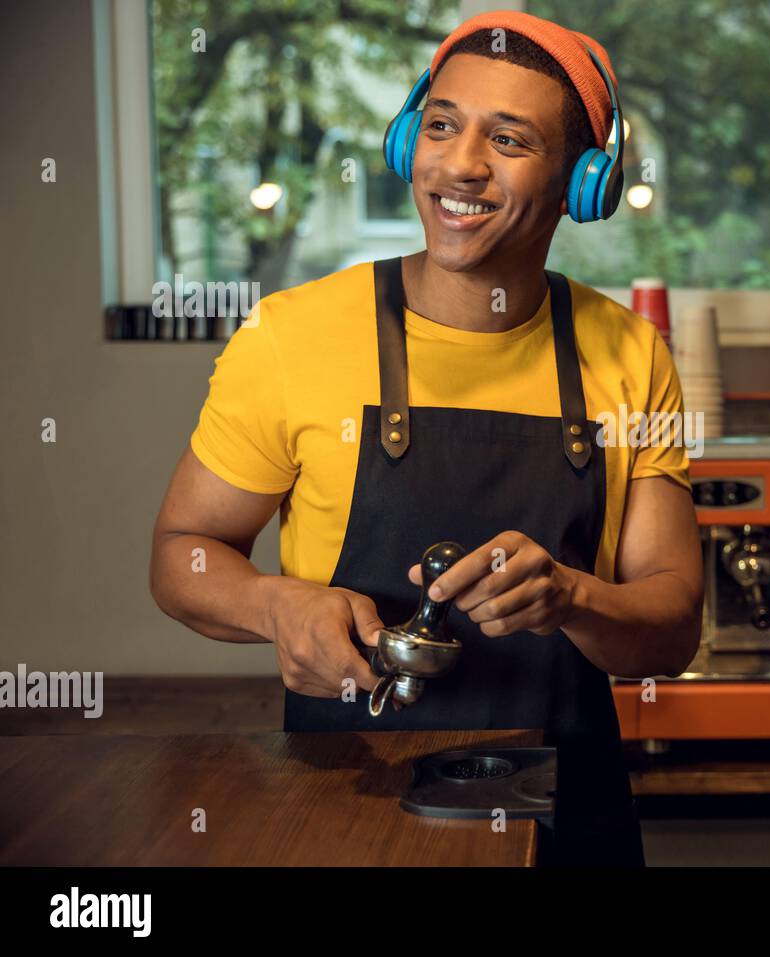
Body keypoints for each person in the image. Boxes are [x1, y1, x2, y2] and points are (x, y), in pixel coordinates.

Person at [148, 10, 703, 868]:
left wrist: (570, 597)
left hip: (568, 811)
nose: (459, 165)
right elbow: (182, 553)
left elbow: (672, 625)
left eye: (509, 139)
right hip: (347, 801)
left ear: (581, 182)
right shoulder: (291, 336)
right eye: (441, 124)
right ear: (409, 137)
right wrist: (275, 603)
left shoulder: (632, 355)